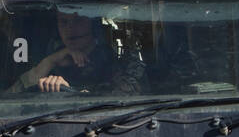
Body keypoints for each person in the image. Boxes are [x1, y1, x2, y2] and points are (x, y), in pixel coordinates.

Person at [13, 7, 144, 94]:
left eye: (78, 20)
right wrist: (49, 62)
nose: (70, 29)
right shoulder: (50, 60)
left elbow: (127, 103)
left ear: (93, 24)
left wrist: (69, 93)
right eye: (63, 22)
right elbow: (5, 100)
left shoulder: (115, 61)